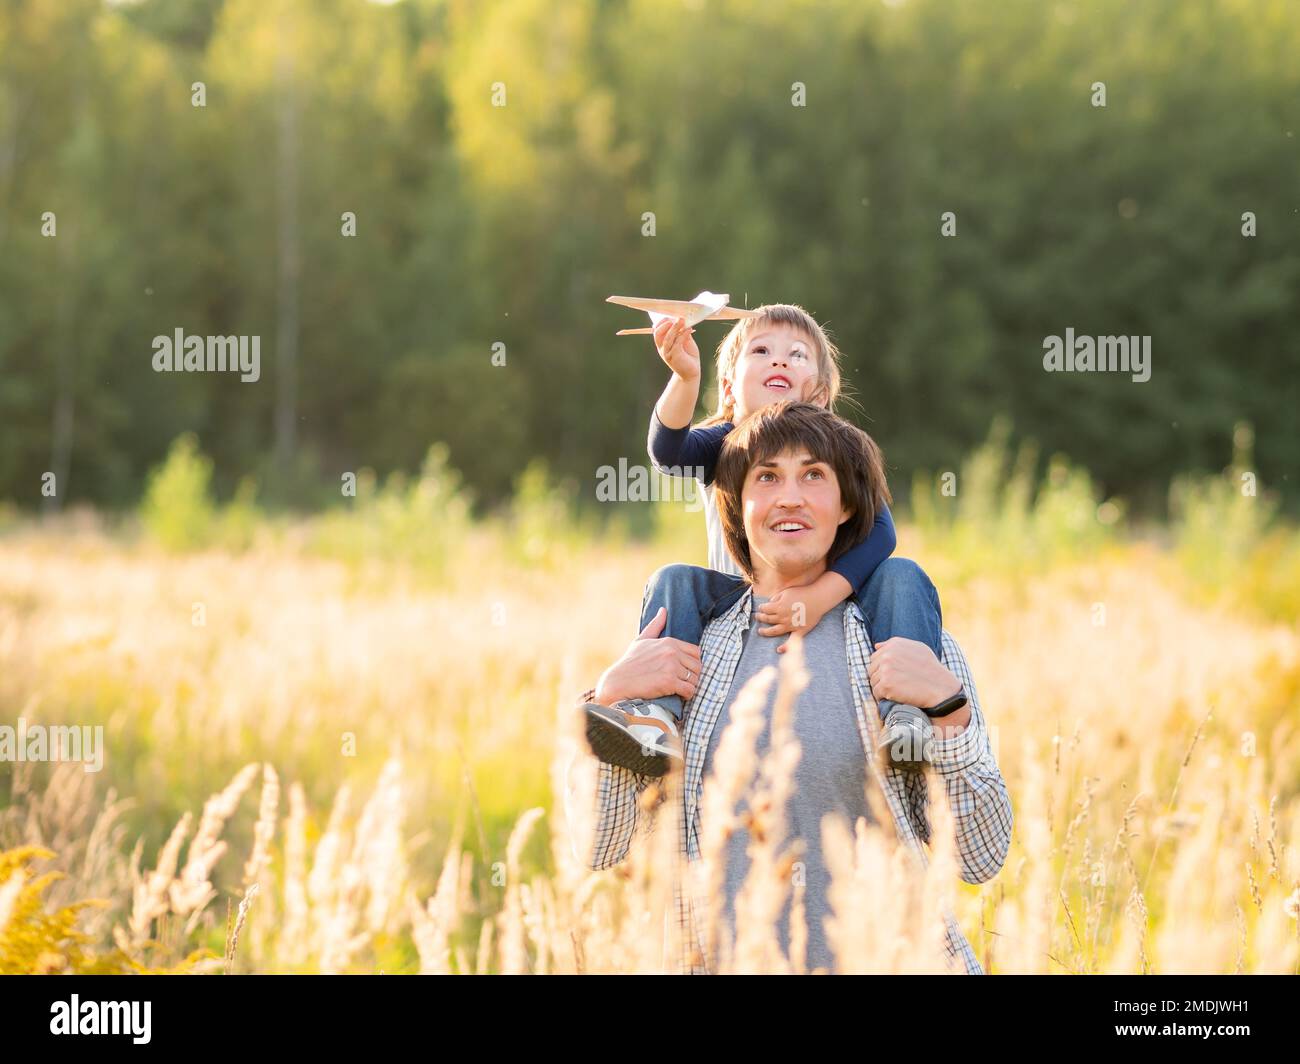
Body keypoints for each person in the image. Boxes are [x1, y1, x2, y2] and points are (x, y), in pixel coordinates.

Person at [576, 402, 1013, 974]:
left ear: (847, 505)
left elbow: (981, 858)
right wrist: (606, 699)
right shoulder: (682, 646)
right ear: (737, 503)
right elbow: (597, 846)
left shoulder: (907, 646)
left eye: (814, 475)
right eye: (767, 477)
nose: (789, 496)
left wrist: (948, 710)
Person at [583, 304, 942, 778]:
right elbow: (667, 451)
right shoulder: (726, 442)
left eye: (797, 354)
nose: (779, 360)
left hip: (834, 588)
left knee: (903, 576)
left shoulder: (838, 445)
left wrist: (820, 596)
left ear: (819, 389)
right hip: (736, 594)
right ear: (729, 386)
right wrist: (686, 378)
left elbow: (882, 531)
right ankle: (655, 717)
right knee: (673, 580)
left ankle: (907, 718)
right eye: (761, 350)